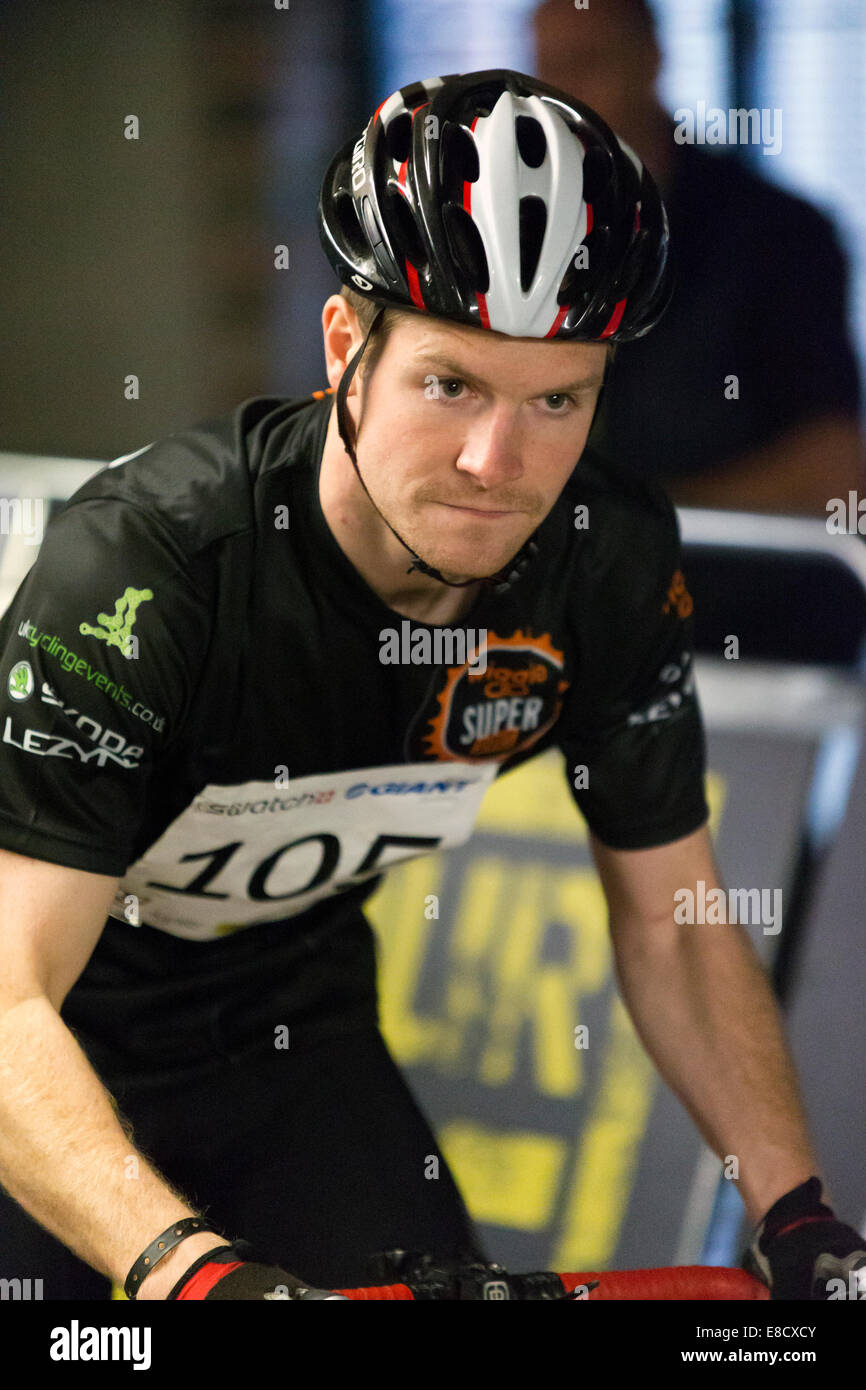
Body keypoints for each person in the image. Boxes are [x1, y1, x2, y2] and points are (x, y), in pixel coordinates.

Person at [0, 69, 861, 1303]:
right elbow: (8, 995)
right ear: (345, 346)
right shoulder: (154, 567)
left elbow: (673, 927)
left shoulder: (599, 557)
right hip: (49, 1036)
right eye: (448, 383)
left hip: (286, 1025)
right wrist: (191, 1279)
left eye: (555, 399)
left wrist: (796, 1219)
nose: (493, 464)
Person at [532, 0, 865, 516]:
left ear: (651, 60)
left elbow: (833, 472)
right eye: (547, 71)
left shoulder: (776, 235)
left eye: (589, 62)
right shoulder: (522, 225)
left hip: (725, 576)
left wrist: (632, 525)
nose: (563, 98)